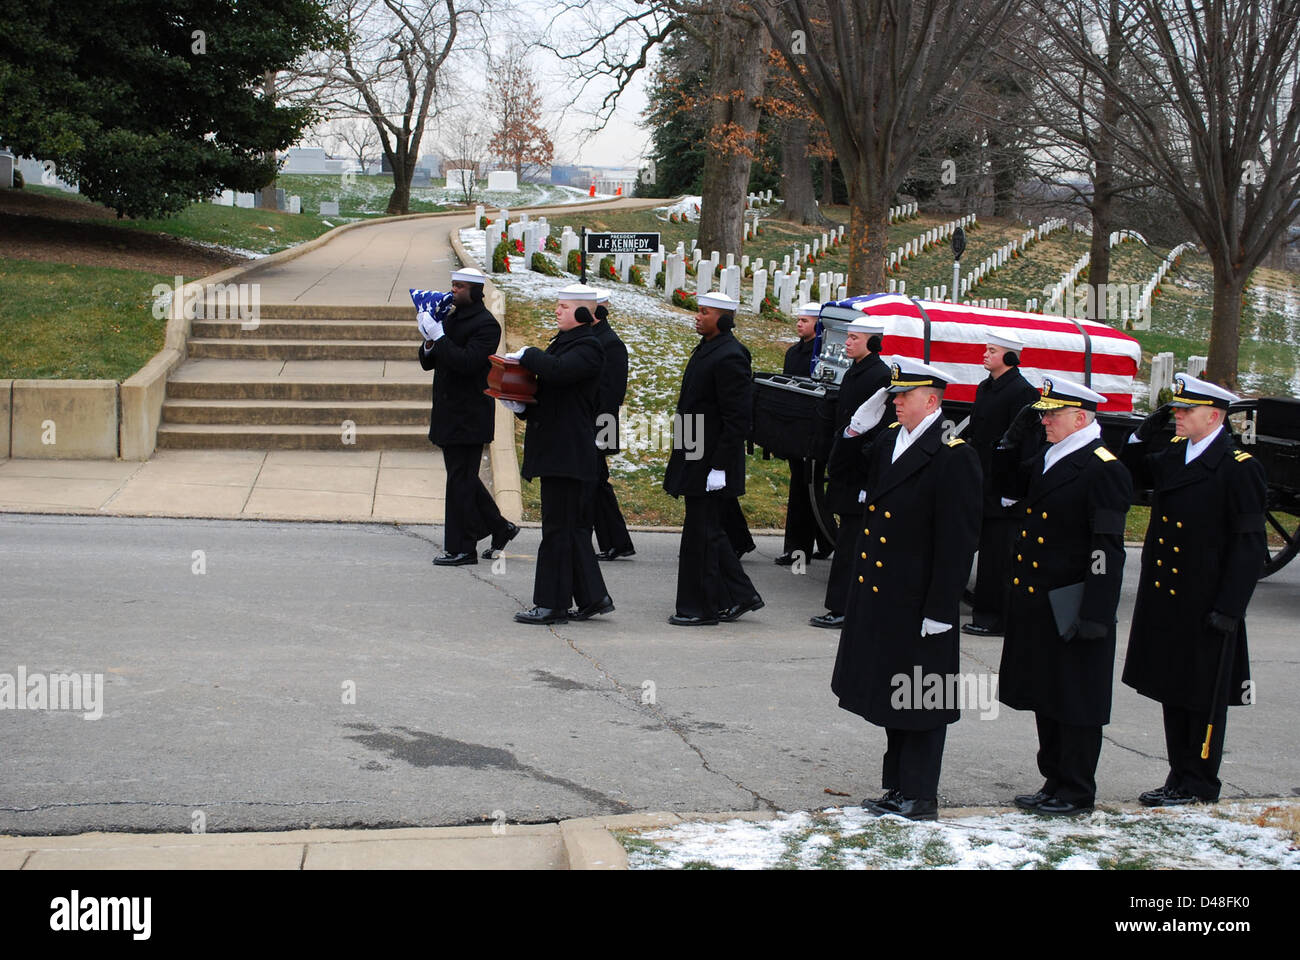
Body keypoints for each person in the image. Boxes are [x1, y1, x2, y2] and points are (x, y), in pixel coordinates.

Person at [829, 357, 981, 820]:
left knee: (922, 698)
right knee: (895, 694)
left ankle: (920, 795)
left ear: (932, 401)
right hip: (884, 595)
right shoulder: (890, 440)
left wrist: (941, 608)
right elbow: (841, 470)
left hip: (921, 600)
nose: (895, 401)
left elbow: (958, 541)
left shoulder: (954, 454)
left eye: (903, 396)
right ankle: (896, 788)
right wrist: (857, 427)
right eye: (894, 395)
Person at [1121, 373, 1265, 806]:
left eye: (1186, 410)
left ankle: (1199, 782)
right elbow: (1131, 472)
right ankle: (1177, 775)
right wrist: (1140, 433)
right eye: (1177, 409)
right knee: (1172, 689)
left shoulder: (1238, 466)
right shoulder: (1176, 454)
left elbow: (1249, 544)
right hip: (1168, 598)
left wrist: (1230, 608)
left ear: (1214, 415)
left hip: (1207, 601)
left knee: (1202, 697)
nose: (1178, 416)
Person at [996, 376, 1133, 816]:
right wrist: (1008, 441)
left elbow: (1105, 547)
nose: (1045, 422)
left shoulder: (1104, 466)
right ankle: (1053, 780)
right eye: (1043, 414)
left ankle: (1075, 790)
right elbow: (1007, 489)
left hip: (1074, 601)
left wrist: (1096, 610)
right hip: (1041, 598)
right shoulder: (1052, 456)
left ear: (1081, 417)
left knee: (1075, 700)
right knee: (1047, 694)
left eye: (1052, 415)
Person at [500, 283, 613, 625]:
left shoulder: (589, 348)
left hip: (569, 453)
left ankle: (552, 604)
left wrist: (530, 355)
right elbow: (554, 397)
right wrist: (521, 406)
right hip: (558, 449)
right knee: (568, 529)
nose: (557, 311)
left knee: (557, 532)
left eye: (563, 306)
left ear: (582, 313)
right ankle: (594, 598)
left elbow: (559, 373)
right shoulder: (564, 344)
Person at [663, 291, 763, 626]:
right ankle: (740, 594)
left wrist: (719, 466)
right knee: (707, 531)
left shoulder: (732, 355)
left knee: (702, 535)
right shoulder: (709, 348)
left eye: (704, 312)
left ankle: (701, 608)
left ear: (722, 318)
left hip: (711, 458)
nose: (697, 316)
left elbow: (737, 418)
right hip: (695, 450)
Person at [417, 267, 518, 566]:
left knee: (460, 481)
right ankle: (500, 527)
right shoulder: (449, 316)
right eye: (453, 286)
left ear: (475, 291)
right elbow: (429, 363)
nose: (454, 291)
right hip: (449, 410)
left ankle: (463, 549)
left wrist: (441, 337)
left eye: (460, 287)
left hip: (470, 413)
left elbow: (468, 363)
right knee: (462, 478)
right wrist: (429, 341)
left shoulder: (486, 324)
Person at [810, 316, 890, 629]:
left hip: (860, 474)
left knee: (852, 546)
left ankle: (844, 607)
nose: (847, 342)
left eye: (854, 338)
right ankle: (841, 605)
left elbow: (878, 431)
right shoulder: (856, 371)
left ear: (871, 342)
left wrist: (867, 479)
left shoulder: (880, 376)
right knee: (847, 542)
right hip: (846, 468)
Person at [962, 331, 1041, 637]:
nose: (985, 354)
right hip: (982, 479)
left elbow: (1027, 443)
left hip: (1005, 486)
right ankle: (983, 610)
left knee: (998, 557)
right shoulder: (986, 388)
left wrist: (1014, 490)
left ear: (1009, 357)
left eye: (991, 351)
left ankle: (996, 618)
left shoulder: (1023, 392)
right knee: (979, 549)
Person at [776, 302, 834, 566]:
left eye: (805, 321)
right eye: (798, 320)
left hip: (812, 429)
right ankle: (819, 541)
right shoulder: (793, 352)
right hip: (796, 428)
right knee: (801, 488)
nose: (799, 324)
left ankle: (800, 550)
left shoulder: (821, 355)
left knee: (807, 490)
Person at [589, 289, 636, 561]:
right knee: (596, 484)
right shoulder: (596, 338)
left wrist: (602, 432)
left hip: (599, 424)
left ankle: (616, 541)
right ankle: (615, 541)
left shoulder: (610, 343)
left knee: (598, 484)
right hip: (589, 424)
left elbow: (612, 393)